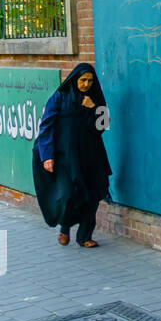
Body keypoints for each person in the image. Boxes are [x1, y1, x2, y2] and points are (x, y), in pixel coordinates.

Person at [32, 63, 112, 248]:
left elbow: (102, 126)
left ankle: (84, 236)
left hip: (91, 155)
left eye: (90, 81)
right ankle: (65, 227)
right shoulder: (60, 97)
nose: (86, 84)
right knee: (68, 194)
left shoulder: (96, 99)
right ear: (74, 79)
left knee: (93, 195)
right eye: (82, 80)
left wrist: (93, 107)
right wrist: (47, 156)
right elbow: (46, 126)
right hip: (66, 156)